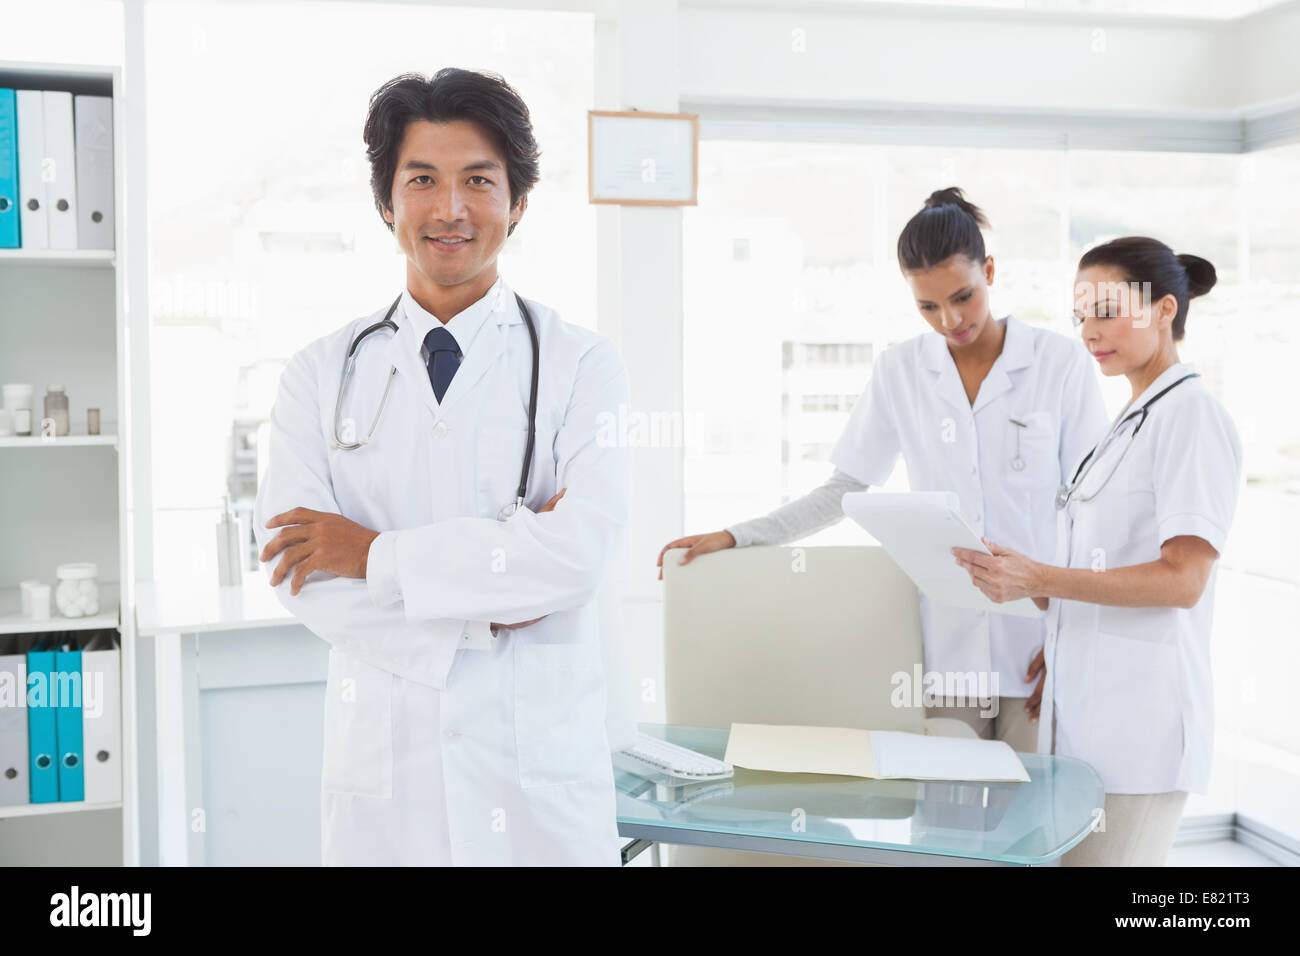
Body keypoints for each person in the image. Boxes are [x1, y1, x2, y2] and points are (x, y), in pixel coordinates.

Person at [253, 68, 629, 866]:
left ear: (518, 203)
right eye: (421, 180)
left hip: (538, 789)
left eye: (478, 181)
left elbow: (578, 556)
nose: (449, 208)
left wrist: (374, 554)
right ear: (388, 203)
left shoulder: (581, 364)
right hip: (388, 788)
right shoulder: (319, 374)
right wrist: (483, 607)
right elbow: (302, 573)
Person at [658, 188, 1107, 751]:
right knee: (949, 829)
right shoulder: (901, 371)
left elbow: (1093, 512)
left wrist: (1072, 634)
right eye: (928, 307)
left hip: (1041, 645)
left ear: (990, 271)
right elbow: (843, 491)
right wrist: (736, 535)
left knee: (1036, 826)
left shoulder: (1058, 364)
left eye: (963, 296)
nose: (950, 319)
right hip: (947, 653)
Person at [953, 236, 1240, 866]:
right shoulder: (1130, 420)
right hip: (1084, 729)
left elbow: (1183, 579)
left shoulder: (1191, 416)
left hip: (1141, 732)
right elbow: (1110, 563)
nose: (1089, 331)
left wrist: (1042, 577)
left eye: (1106, 311)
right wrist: (1042, 601)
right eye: (1080, 315)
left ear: (1165, 310)